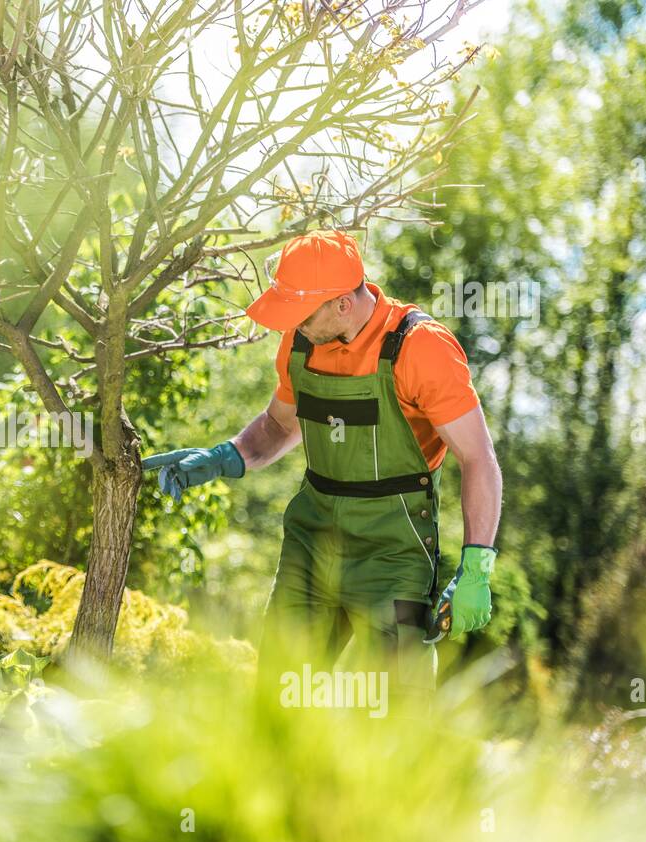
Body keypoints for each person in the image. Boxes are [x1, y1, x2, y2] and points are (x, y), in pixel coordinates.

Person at [145, 230, 502, 710]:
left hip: (392, 554)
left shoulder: (420, 349)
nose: (290, 326)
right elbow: (278, 425)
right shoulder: (301, 343)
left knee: (394, 713)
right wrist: (223, 458)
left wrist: (476, 566)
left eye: (301, 314)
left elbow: (478, 458)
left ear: (342, 305)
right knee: (280, 700)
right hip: (312, 542)